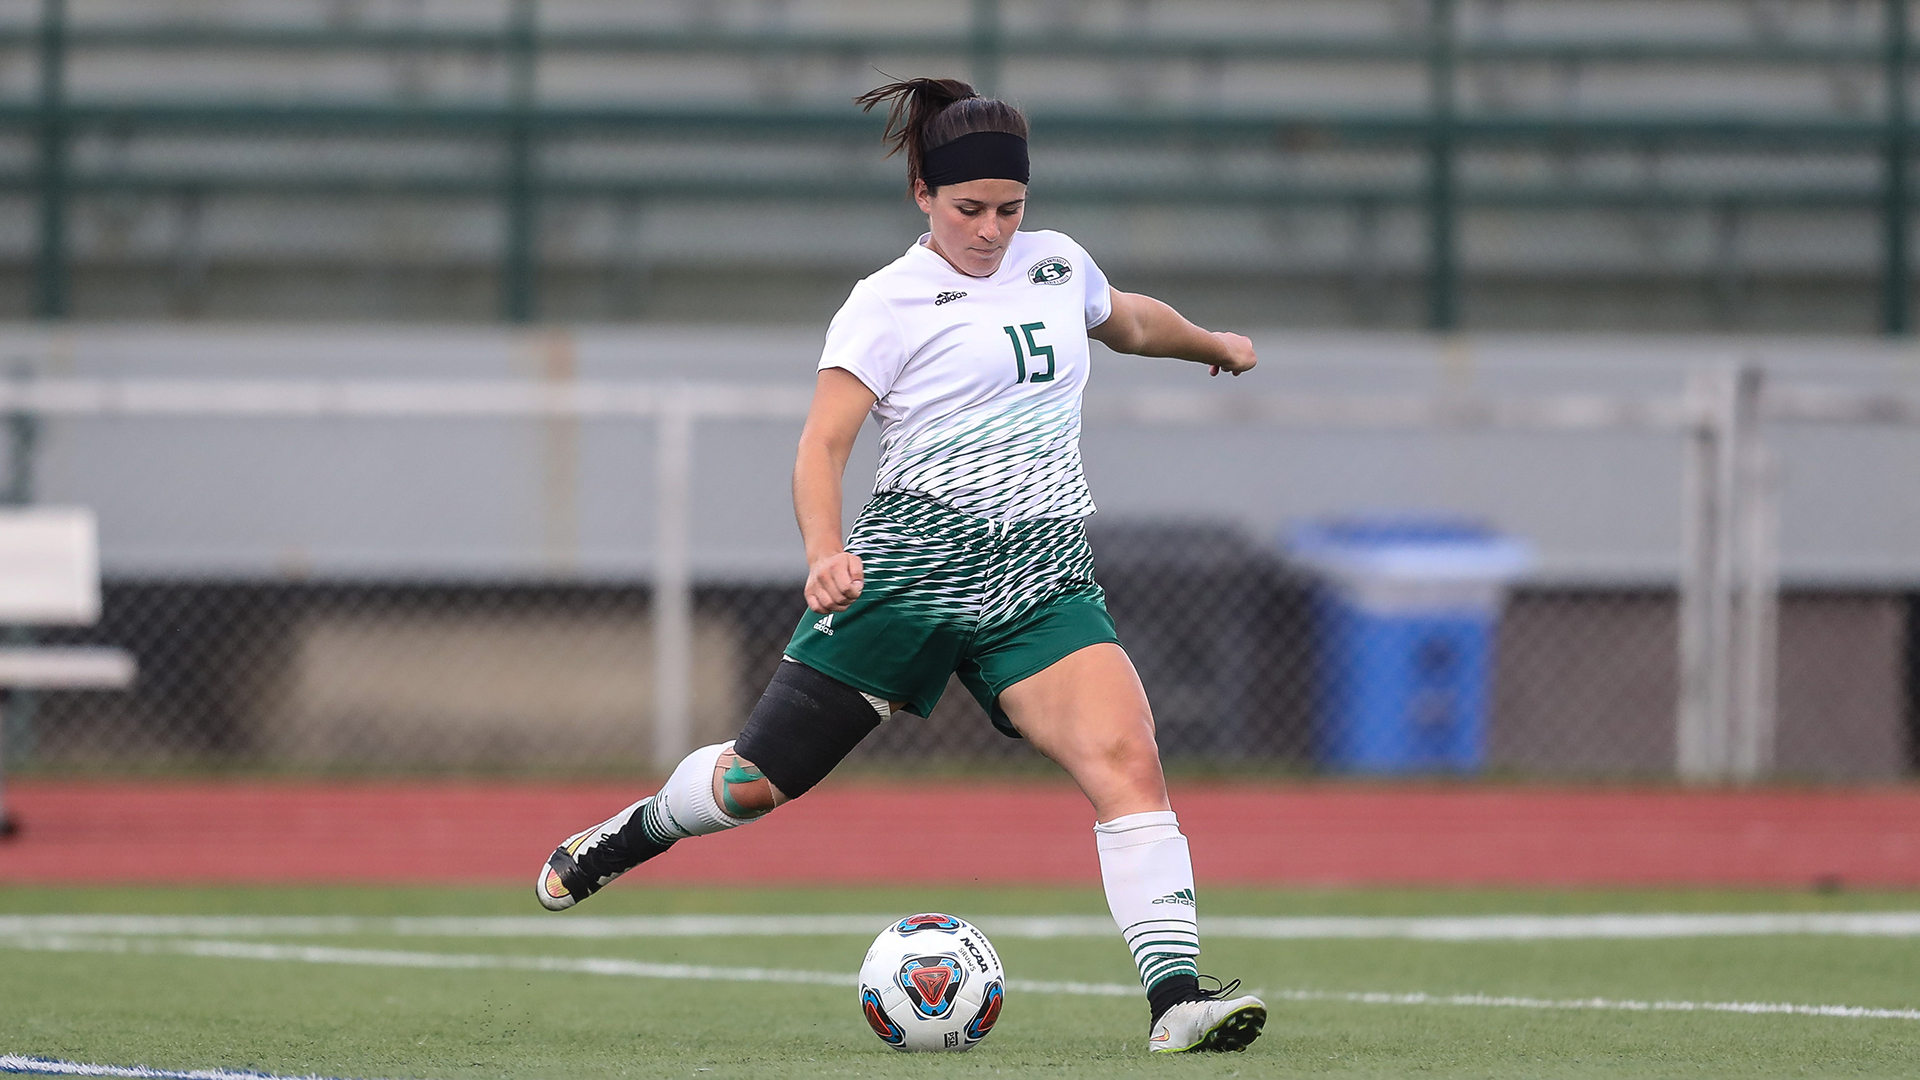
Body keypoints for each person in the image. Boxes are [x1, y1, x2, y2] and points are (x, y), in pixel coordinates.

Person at [536, 76, 1264, 1055]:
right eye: (969, 209)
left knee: (1128, 760)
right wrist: (823, 552)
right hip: (908, 578)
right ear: (923, 193)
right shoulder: (884, 303)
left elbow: (1126, 319)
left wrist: (1212, 344)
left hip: (1040, 575)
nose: (992, 230)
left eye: (1010, 208)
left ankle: (1175, 1001)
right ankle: (635, 832)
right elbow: (822, 445)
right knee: (756, 784)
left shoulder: (1058, 265)